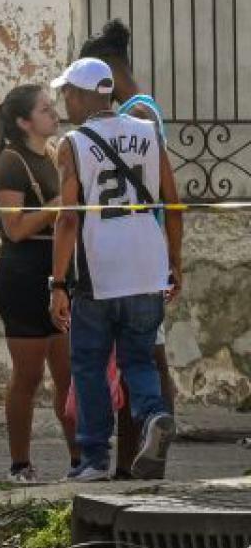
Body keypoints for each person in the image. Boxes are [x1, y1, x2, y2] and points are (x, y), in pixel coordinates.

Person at [49, 57, 180, 483]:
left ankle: (92, 458)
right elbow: (172, 204)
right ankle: (154, 415)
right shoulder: (147, 132)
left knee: (88, 362)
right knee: (138, 357)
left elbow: (67, 219)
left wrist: (57, 282)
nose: (64, 99)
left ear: (88, 95)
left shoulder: (74, 143)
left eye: (68, 91)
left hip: (99, 269)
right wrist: (174, 261)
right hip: (147, 264)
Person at [80, 19, 176, 476]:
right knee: (140, 358)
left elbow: (166, 198)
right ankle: (141, 454)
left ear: (108, 72)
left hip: (134, 260)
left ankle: (134, 460)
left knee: (143, 359)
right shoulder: (146, 108)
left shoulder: (137, 115)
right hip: (145, 258)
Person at [0, 83, 77, 482]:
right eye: (44, 110)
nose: (53, 115)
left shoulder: (51, 157)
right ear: (23, 121)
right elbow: (15, 227)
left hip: (55, 274)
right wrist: (57, 206)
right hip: (21, 277)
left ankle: (80, 460)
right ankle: (20, 464)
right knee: (29, 375)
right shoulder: (9, 163)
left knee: (67, 374)